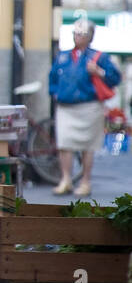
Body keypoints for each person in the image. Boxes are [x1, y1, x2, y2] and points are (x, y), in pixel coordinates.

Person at [48, 17, 121, 196]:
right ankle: (66, 179)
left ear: (90, 36)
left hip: (89, 106)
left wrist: (99, 72)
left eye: (82, 33)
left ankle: (85, 181)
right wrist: (55, 92)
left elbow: (115, 78)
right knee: (65, 143)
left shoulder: (98, 57)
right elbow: (52, 78)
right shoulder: (63, 55)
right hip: (66, 106)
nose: (78, 37)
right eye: (76, 33)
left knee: (88, 145)